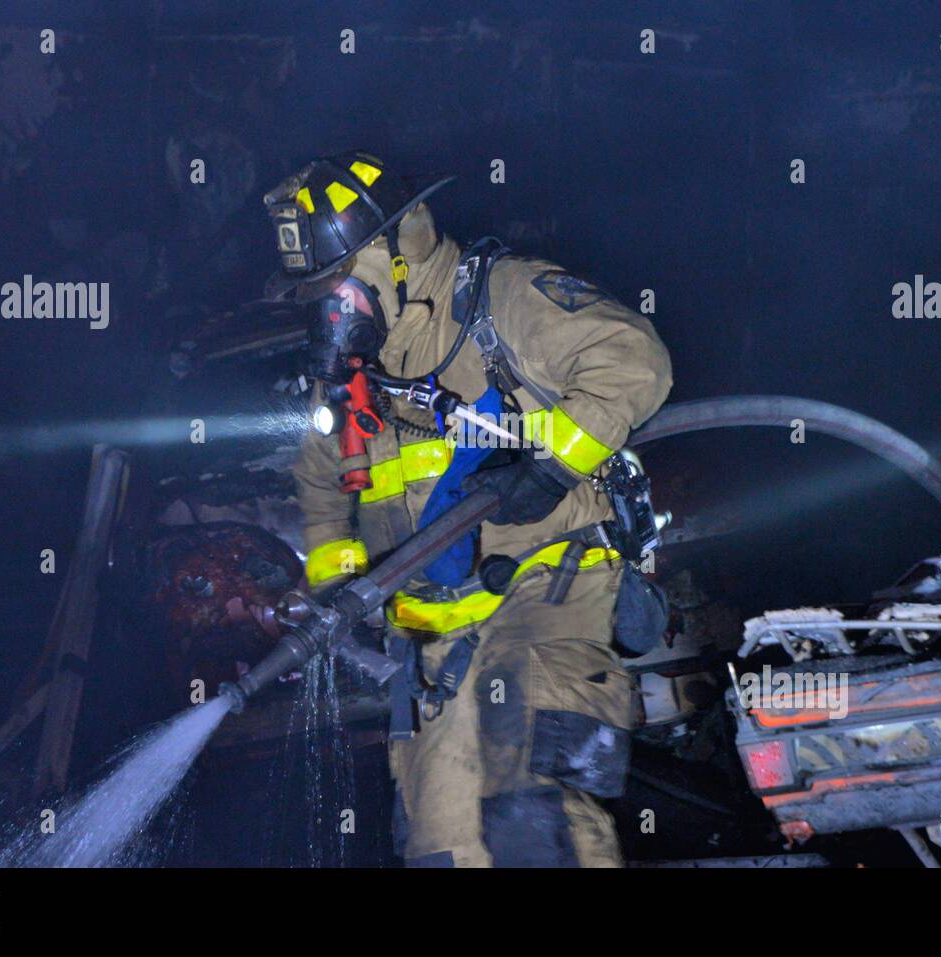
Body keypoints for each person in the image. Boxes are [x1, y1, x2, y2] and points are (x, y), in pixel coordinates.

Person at [266, 150, 672, 866]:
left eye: (338, 278)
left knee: (531, 818)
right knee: (441, 850)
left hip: (548, 587)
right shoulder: (352, 381)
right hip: (434, 645)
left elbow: (634, 359)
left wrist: (553, 467)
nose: (331, 304)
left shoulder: (500, 301)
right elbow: (321, 484)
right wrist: (337, 586)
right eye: (318, 290)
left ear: (400, 247)